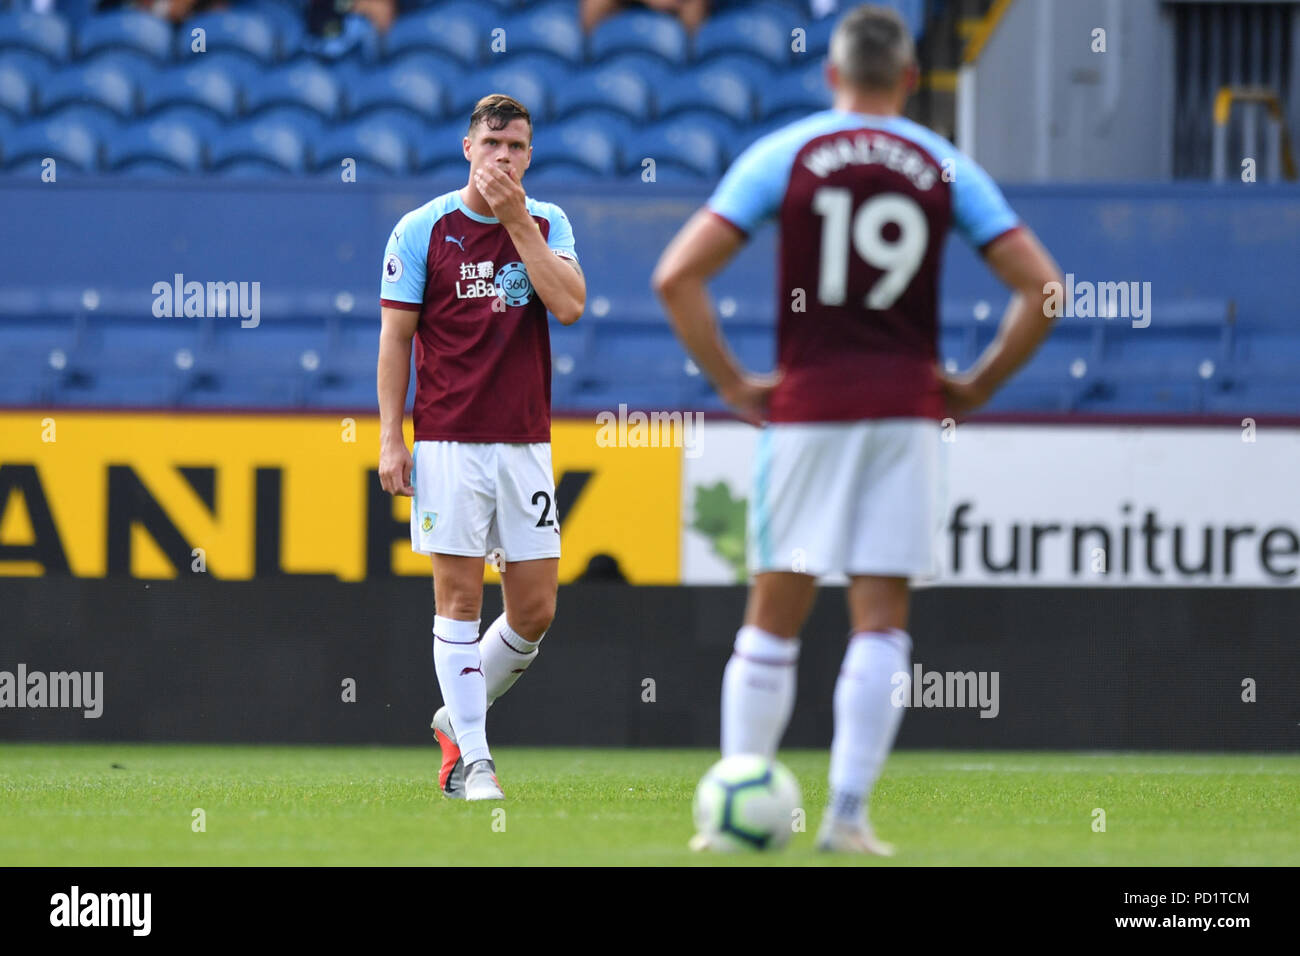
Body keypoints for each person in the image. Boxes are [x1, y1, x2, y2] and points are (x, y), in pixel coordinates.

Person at [653, 3, 1062, 853]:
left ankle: (736, 800)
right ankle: (846, 817)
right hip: (906, 413)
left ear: (832, 76)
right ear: (910, 80)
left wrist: (733, 382)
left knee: (774, 612)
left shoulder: (788, 153)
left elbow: (675, 276)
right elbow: (1046, 290)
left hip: (808, 409)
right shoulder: (942, 163)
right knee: (881, 619)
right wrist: (980, 383)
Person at [377, 94, 585, 802]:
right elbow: (396, 340)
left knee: (534, 610)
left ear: (530, 156)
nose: (504, 156)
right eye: (493, 142)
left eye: (518, 146)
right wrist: (389, 437)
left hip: (525, 441)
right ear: (467, 148)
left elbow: (570, 305)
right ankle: (474, 761)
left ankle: (453, 720)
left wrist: (519, 221)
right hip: (447, 440)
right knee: (459, 595)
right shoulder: (421, 229)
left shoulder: (548, 222)